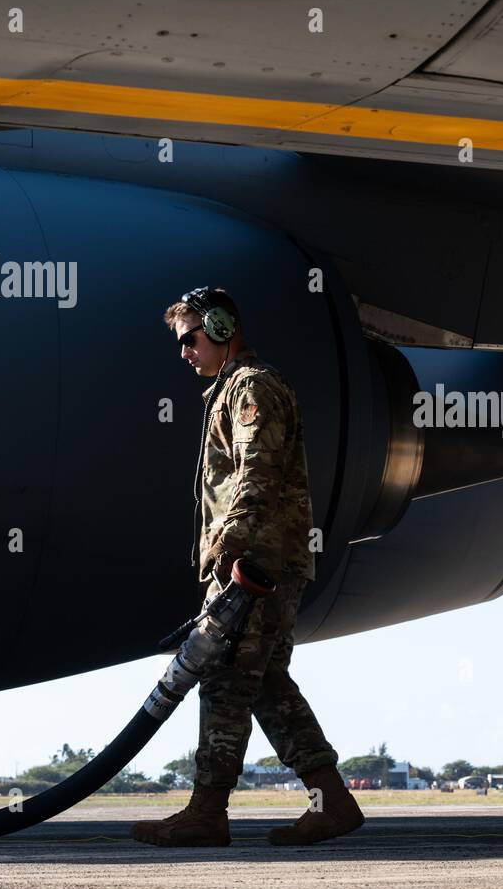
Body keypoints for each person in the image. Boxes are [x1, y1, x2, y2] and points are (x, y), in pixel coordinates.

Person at [130, 286, 363, 847]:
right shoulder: (232, 390)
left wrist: (228, 546)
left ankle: (207, 812)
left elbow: (255, 471)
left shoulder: (250, 387)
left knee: (227, 678)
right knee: (264, 685)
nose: (185, 352)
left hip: (254, 560)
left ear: (219, 326)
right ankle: (330, 802)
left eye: (190, 339)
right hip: (262, 556)